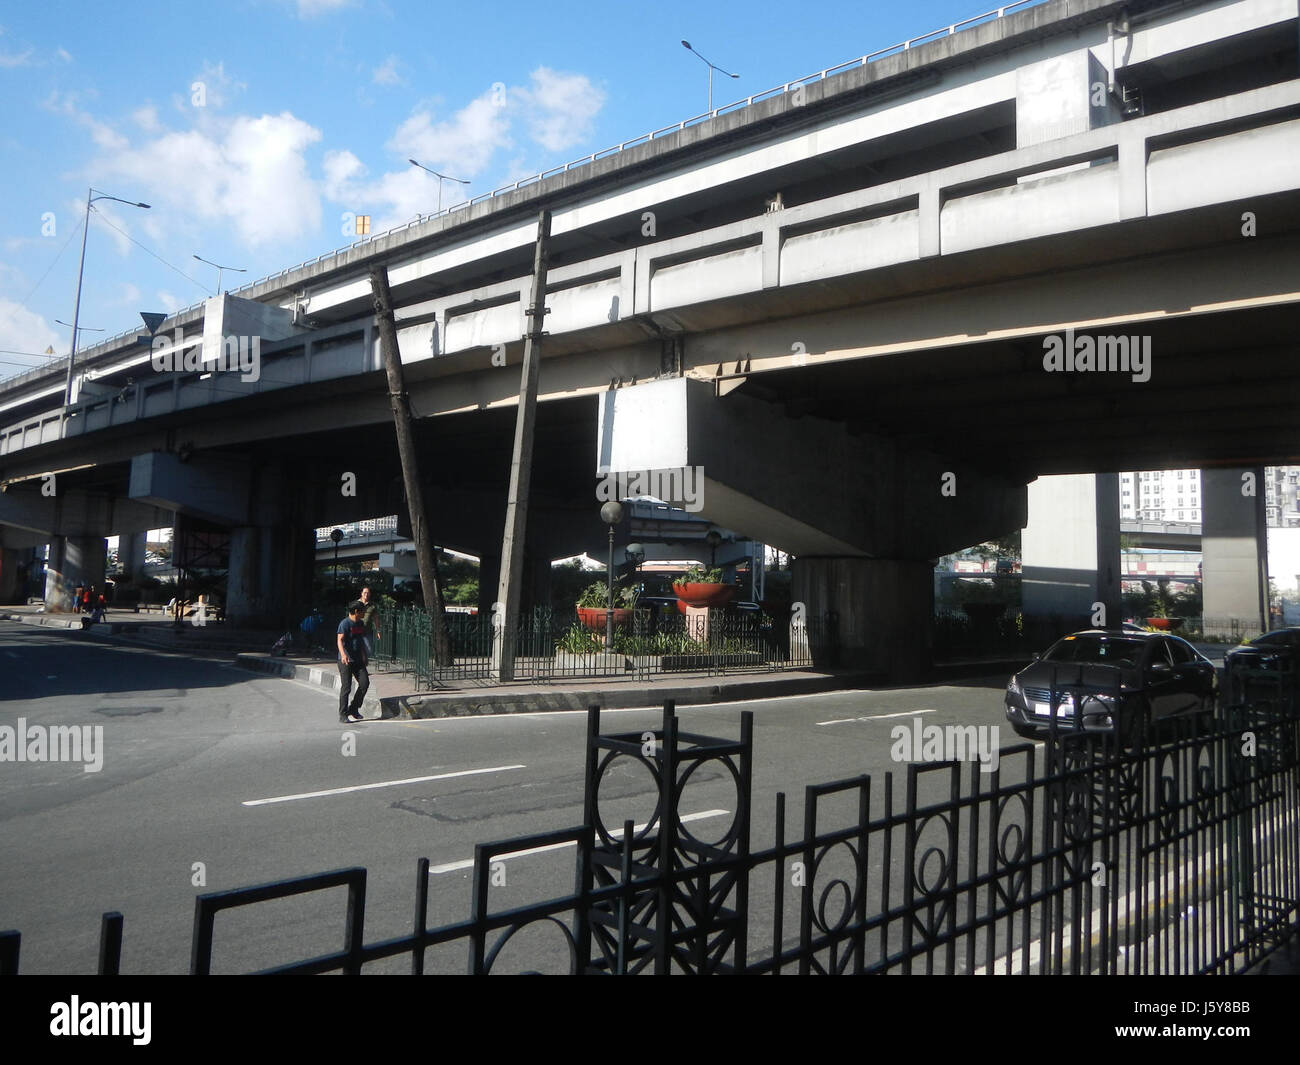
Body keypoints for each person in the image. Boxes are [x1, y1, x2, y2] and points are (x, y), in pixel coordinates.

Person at [336, 601, 369, 724]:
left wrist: (364, 655)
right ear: (356, 612)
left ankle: (354, 708)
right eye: (363, 611)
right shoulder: (344, 624)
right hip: (345, 660)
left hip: (358, 660)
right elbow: (339, 640)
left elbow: (360, 641)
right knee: (346, 687)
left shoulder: (360, 623)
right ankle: (343, 714)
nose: (364, 613)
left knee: (365, 683)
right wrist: (343, 655)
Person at [358, 585, 382, 658]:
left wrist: (378, 631)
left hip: (367, 631)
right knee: (356, 648)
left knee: (369, 649)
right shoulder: (356, 604)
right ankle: (359, 664)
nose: (366, 594)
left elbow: (376, 619)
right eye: (365, 592)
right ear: (361, 593)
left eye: (368, 593)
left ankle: (362, 662)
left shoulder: (372, 606)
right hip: (356, 630)